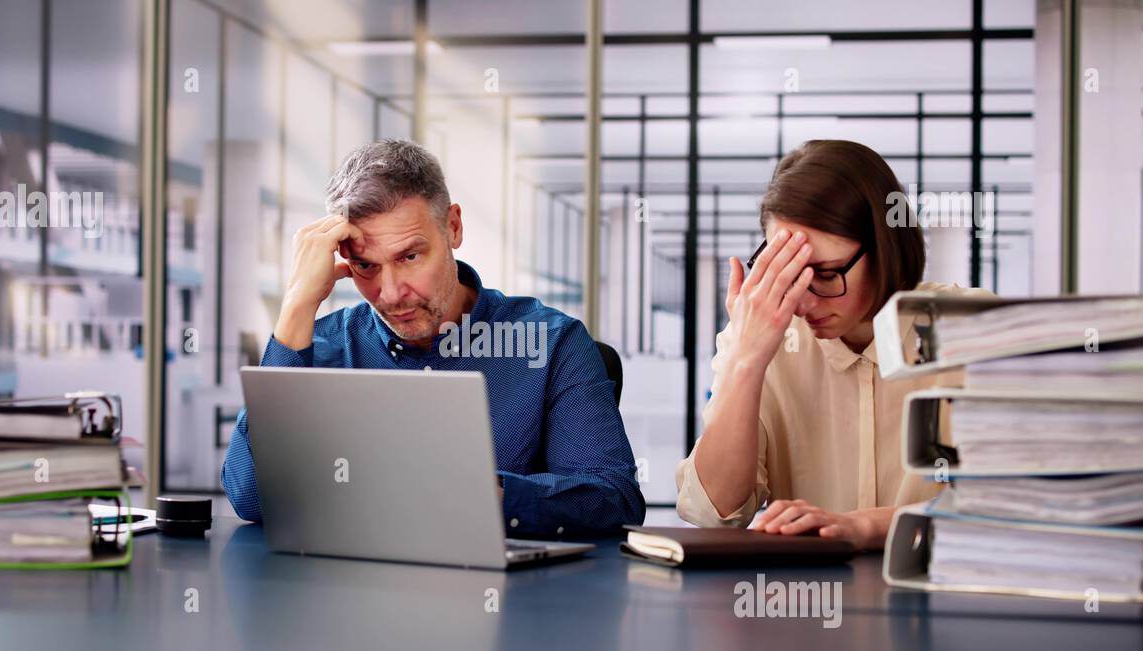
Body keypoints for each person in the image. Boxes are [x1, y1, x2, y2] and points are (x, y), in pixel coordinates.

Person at [223, 139, 644, 535]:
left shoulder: (551, 344)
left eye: (409, 256)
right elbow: (249, 496)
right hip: (349, 594)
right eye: (366, 267)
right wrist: (296, 307)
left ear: (453, 227)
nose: (390, 294)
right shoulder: (318, 347)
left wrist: (472, 494)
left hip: (508, 602)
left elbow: (614, 498)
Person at [674, 139, 989, 550]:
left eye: (825, 273)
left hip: (945, 592)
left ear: (885, 250)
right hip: (804, 601)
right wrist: (745, 360)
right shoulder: (761, 335)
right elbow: (713, 512)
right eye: (788, 273)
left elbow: (1014, 501)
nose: (802, 300)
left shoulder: (977, 329)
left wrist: (864, 527)